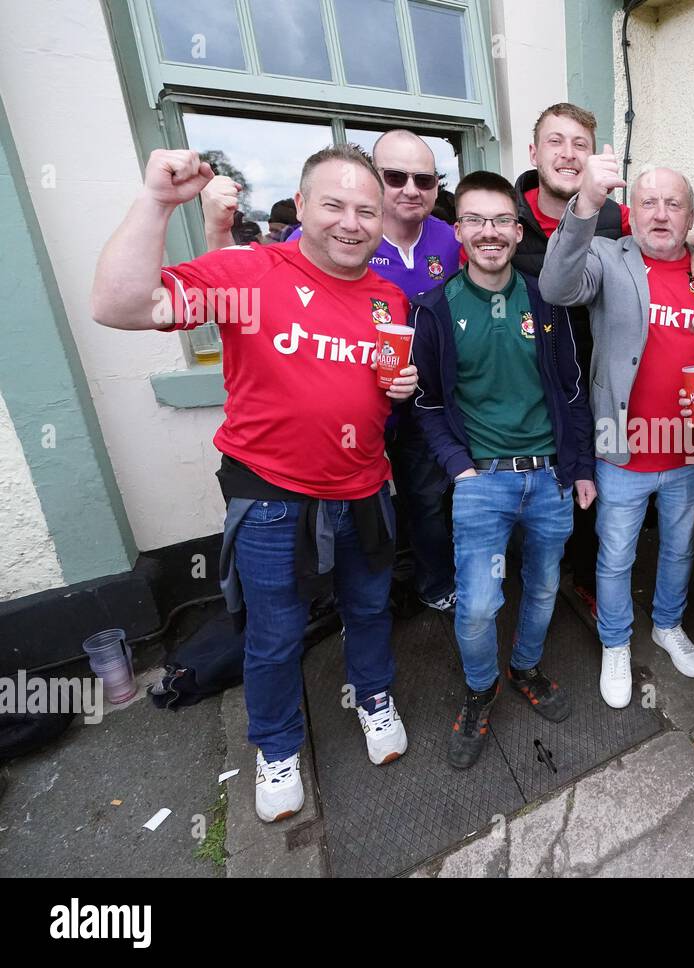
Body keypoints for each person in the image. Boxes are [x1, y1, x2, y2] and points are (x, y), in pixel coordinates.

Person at [90, 144, 421, 824]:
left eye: (367, 209)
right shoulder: (250, 269)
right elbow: (119, 303)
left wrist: (400, 387)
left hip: (364, 488)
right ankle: (275, 746)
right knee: (273, 635)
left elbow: (374, 385)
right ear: (300, 207)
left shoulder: (389, 294)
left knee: (369, 609)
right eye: (334, 205)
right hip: (273, 498)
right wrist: (157, 201)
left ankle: (373, 694)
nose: (352, 223)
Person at [203, 130, 462, 613]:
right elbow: (238, 284)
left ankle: (431, 585)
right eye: (395, 176)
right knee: (354, 518)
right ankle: (348, 604)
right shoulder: (324, 237)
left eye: (424, 179)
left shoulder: (451, 239)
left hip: (420, 404)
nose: (411, 188)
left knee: (425, 502)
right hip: (349, 421)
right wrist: (216, 228)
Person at [409, 171, 596, 769]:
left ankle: (526, 667)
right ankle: (480, 688)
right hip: (482, 481)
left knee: (544, 586)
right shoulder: (434, 309)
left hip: (549, 477)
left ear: (518, 231)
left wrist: (580, 465)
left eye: (500, 221)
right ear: (456, 229)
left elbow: (571, 388)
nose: (488, 233)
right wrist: (459, 467)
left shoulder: (547, 298)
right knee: (480, 604)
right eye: (474, 220)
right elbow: (429, 402)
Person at [540, 149, 694, 708]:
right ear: (631, 212)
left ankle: (667, 623)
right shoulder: (609, 257)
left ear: (690, 217)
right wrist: (586, 200)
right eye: (649, 202)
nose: (662, 214)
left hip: (686, 449)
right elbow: (557, 286)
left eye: (674, 204)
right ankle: (615, 643)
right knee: (615, 556)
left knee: (681, 550)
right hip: (621, 446)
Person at [514, 103, 632, 616]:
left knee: (593, 481)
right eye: (555, 142)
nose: (567, 154)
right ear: (534, 151)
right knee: (529, 485)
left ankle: (583, 580)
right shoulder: (507, 214)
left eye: (580, 144)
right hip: (525, 377)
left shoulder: (614, 215)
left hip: (593, 372)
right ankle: (526, 584)